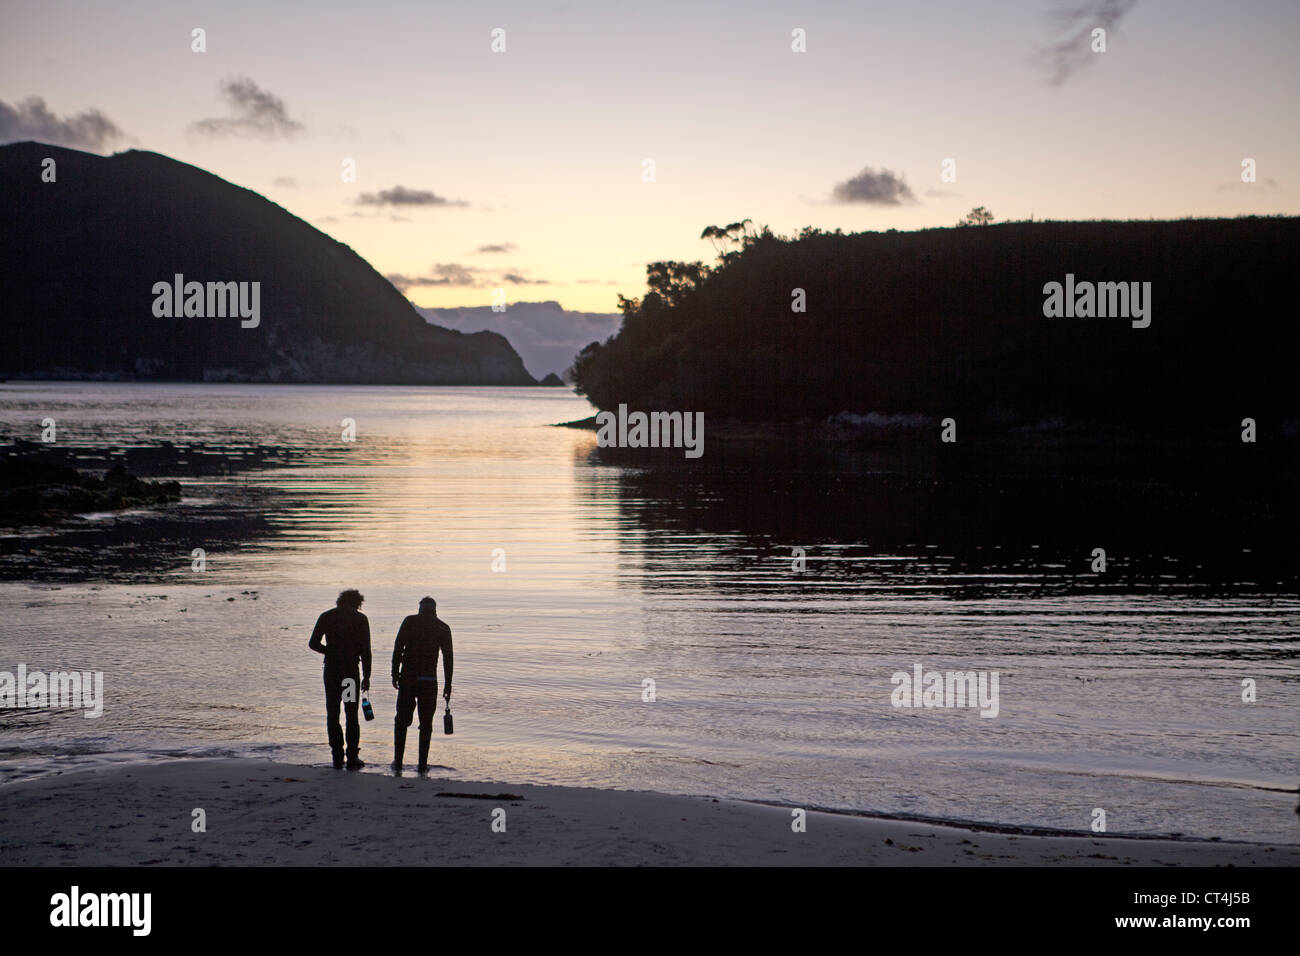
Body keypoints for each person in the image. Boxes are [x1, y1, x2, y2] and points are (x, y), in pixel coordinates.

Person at [308, 589, 372, 770]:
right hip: (350, 673)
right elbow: (366, 651)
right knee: (351, 714)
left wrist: (330, 651)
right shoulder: (360, 619)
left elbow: (313, 643)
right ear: (357, 603)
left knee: (333, 712)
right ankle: (352, 756)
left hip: (331, 672)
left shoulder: (327, 616)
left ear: (339, 601)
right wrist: (367, 676)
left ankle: (337, 755)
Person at [391, 596, 453, 775]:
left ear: (420, 609)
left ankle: (398, 761)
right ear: (435, 610)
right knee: (426, 724)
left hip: (408, 680)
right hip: (428, 681)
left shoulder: (410, 622)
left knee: (401, 721)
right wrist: (448, 684)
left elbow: (398, 649)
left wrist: (394, 673)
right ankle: (421, 764)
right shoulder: (441, 627)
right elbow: (448, 659)